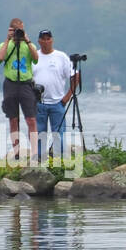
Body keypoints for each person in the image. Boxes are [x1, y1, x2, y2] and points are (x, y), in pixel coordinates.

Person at [0, 17, 39, 163]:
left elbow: (36, 58)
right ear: (10, 30)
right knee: (13, 120)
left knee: (31, 119)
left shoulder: (28, 45)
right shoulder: (4, 44)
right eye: (15, 31)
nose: (18, 33)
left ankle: (34, 152)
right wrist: (8, 40)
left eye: (20, 30)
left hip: (26, 84)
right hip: (11, 84)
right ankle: (16, 152)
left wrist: (27, 40)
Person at [32, 29, 77, 164]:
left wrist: (67, 96)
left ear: (52, 40)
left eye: (48, 38)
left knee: (59, 134)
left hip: (58, 102)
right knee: (40, 134)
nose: (46, 41)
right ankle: (39, 161)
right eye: (43, 39)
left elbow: (75, 76)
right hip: (39, 103)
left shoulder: (61, 56)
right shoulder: (34, 56)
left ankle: (60, 161)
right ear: (39, 41)